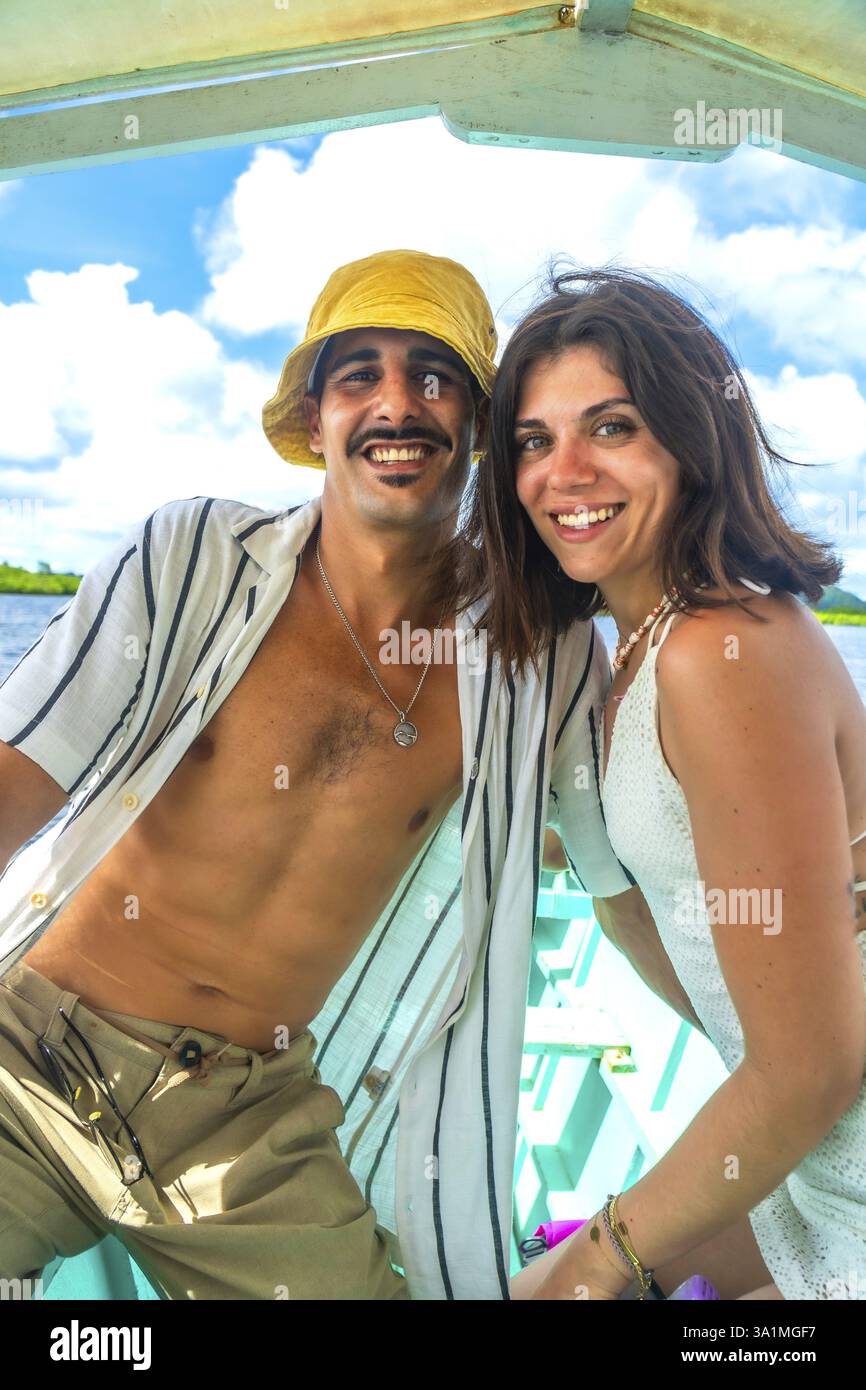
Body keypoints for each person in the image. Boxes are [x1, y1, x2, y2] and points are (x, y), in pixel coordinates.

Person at [0, 249, 648, 1300]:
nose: (399, 405)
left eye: (435, 376)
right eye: (360, 375)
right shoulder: (195, 559)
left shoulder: (542, 656)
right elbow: (15, 782)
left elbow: (620, 893)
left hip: (249, 1123)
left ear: (480, 424)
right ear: (314, 419)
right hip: (36, 1046)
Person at [463, 264, 866, 1302]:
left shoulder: (720, 650)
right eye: (532, 441)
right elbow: (648, 894)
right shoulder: (633, 654)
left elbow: (806, 1069)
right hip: (809, 1161)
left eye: (610, 427)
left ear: (691, 441)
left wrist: (598, 1258)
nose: (564, 472)